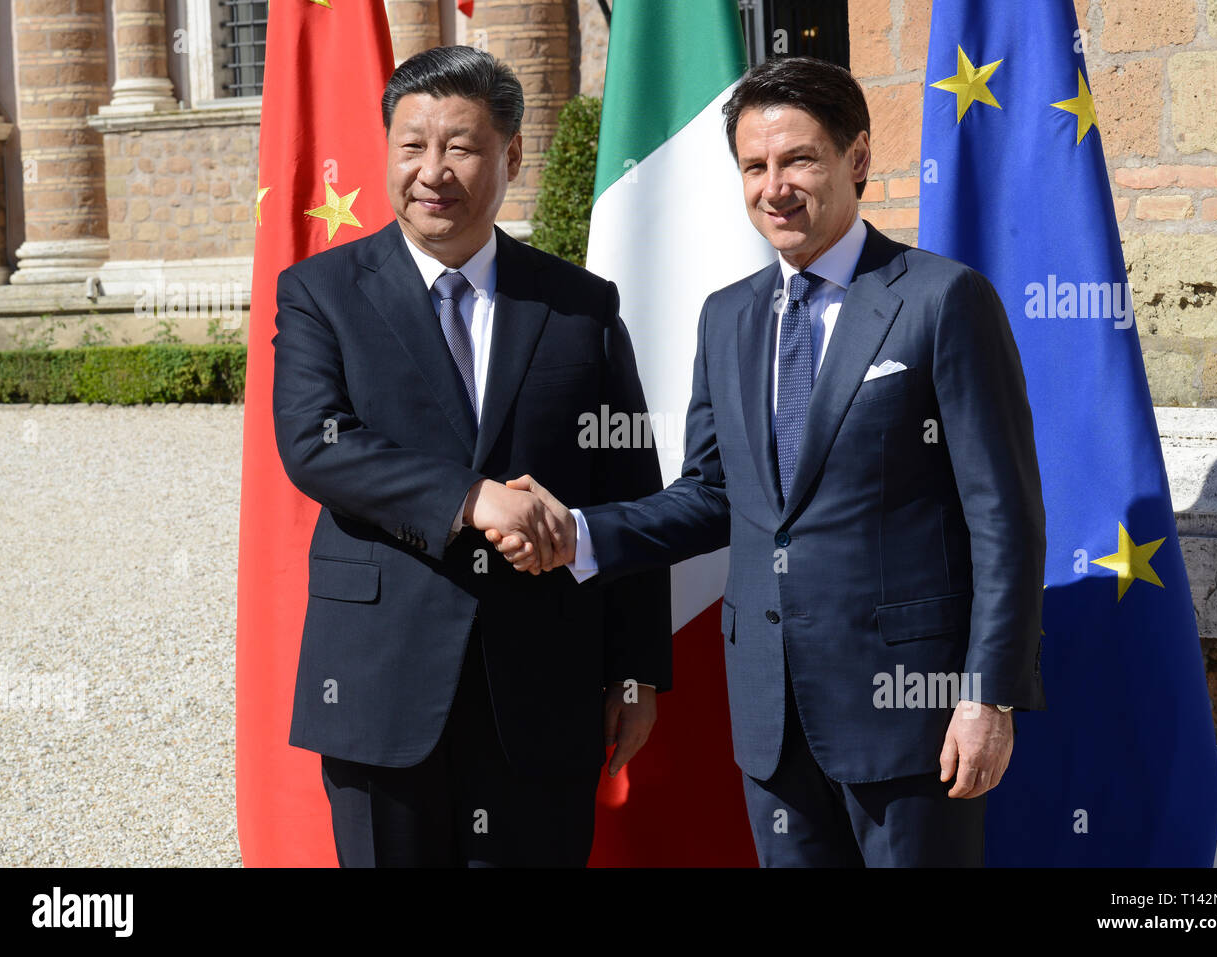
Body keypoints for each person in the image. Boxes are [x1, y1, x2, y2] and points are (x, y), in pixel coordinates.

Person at [487, 56, 1046, 867]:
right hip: (770, 719)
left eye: (799, 160)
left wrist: (987, 694)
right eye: (755, 166)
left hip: (912, 717)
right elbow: (715, 494)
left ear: (856, 159)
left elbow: (1005, 514)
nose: (774, 187)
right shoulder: (729, 319)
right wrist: (578, 531)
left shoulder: (941, 300)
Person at [270, 46, 670, 867]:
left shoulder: (578, 306)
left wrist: (635, 672)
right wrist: (472, 497)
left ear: (511, 155)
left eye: (460, 146)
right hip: (380, 683)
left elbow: (630, 487)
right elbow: (315, 442)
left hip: (543, 687)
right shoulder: (321, 291)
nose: (432, 171)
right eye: (412, 145)